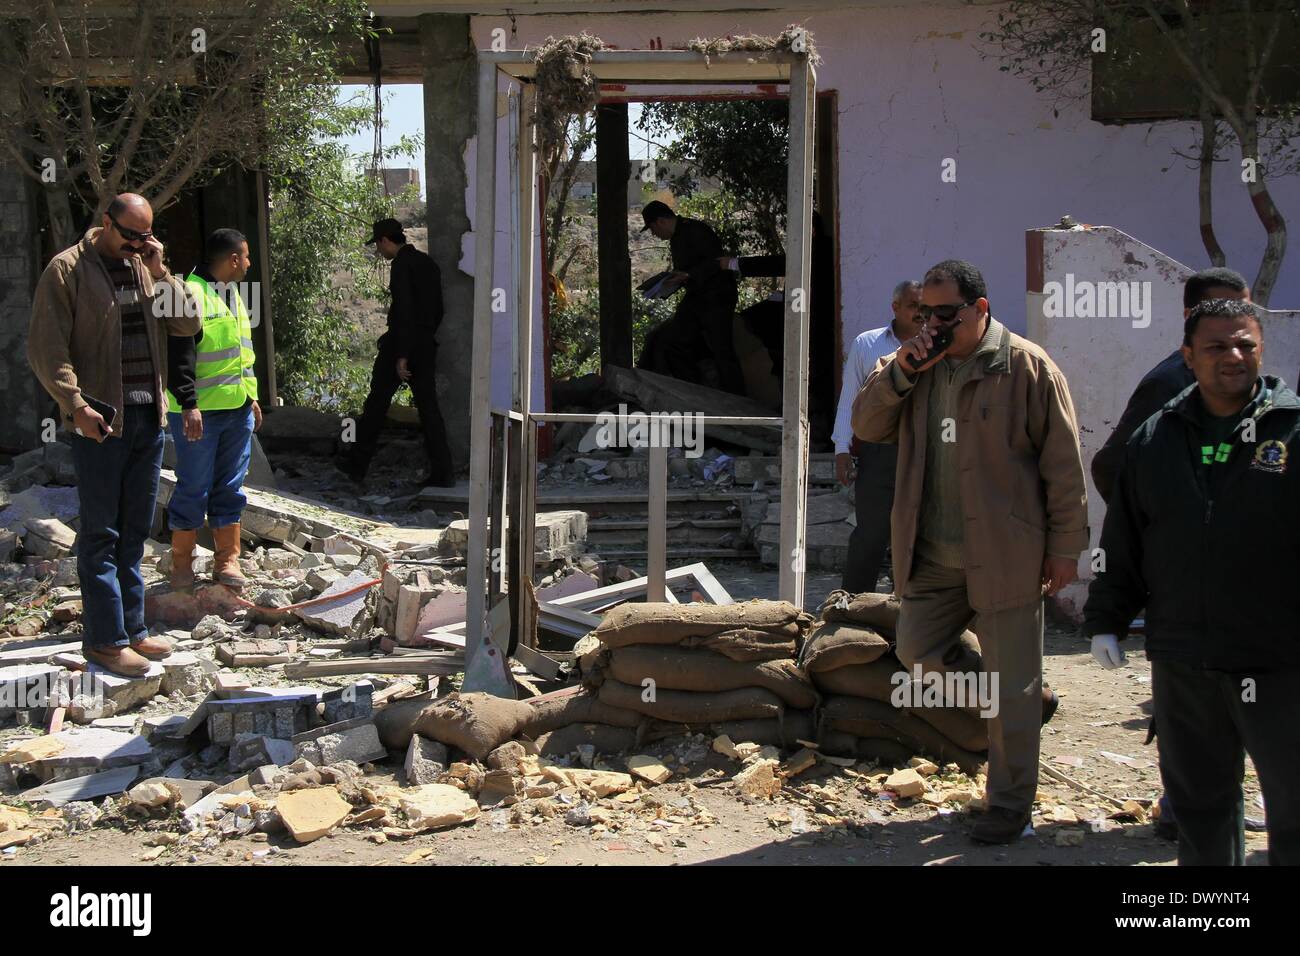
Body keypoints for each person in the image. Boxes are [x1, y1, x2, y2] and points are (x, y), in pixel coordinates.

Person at [853, 259, 1088, 845]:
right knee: (918, 652)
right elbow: (866, 424)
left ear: (980, 309)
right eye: (923, 314)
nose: (931, 325)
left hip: (1007, 554)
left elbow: (1063, 467)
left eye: (945, 314)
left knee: (1012, 689)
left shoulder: (1027, 368)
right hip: (933, 556)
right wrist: (902, 370)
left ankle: (1008, 805)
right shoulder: (914, 365)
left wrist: (1065, 549)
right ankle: (1021, 699)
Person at [1083, 298, 1300, 866]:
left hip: (1276, 657)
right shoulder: (1156, 438)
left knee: (1293, 803)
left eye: (1245, 344)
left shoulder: (1293, 431)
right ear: (1188, 356)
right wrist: (1106, 619)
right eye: (1216, 346)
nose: (1233, 356)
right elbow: (1124, 538)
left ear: (1261, 350)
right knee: (1200, 806)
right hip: (1184, 656)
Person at [1088, 266, 1251, 842]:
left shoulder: (1262, 404)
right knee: (1190, 705)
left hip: (1242, 594)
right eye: (1218, 319)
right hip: (1184, 589)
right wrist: (1166, 529)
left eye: (1243, 321)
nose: (1233, 339)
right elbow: (1113, 466)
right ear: (1190, 327)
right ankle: (1181, 808)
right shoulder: (1171, 384)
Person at [27, 193, 200, 677]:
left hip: (148, 417)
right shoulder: (67, 270)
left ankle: (132, 629)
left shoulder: (147, 267)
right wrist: (75, 405)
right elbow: (46, 349)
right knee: (101, 532)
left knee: (135, 529)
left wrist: (162, 272)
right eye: (130, 236)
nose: (138, 245)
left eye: (146, 236)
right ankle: (105, 641)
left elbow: (187, 323)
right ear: (107, 223)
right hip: (101, 420)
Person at [1091, 267, 1251, 502]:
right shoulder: (1169, 384)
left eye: (1244, 311)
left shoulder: (1246, 383)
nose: (1235, 322)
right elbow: (1111, 467)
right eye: (1222, 312)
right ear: (1190, 317)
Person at [165, 228, 262, 591]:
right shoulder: (188, 294)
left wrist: (251, 397)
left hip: (237, 409)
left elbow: (241, 355)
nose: (249, 263)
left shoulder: (232, 294)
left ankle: (227, 561)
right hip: (199, 415)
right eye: (246, 257)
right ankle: (182, 565)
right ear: (233, 259)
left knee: (230, 486)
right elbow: (179, 357)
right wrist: (188, 404)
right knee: (194, 486)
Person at [340, 218, 454, 487]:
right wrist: (423, 339)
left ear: (385, 240)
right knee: (429, 410)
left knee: (376, 404)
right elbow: (437, 310)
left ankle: (356, 466)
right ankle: (443, 472)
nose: (379, 251)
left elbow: (404, 310)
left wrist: (402, 355)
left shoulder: (402, 265)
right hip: (425, 344)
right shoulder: (427, 264)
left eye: (378, 245)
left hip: (401, 345)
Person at [831, 279, 922, 593]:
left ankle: (908, 608)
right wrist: (842, 448)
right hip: (877, 450)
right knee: (870, 533)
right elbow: (850, 399)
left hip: (922, 451)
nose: (920, 313)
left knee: (915, 536)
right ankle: (850, 605)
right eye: (912, 306)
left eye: (925, 308)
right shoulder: (868, 344)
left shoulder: (936, 346)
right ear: (895, 307)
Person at [636, 201, 743, 394]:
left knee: (722, 349)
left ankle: (737, 399)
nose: (654, 234)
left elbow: (717, 262)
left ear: (661, 222)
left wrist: (690, 274)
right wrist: (671, 280)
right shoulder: (676, 238)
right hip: (696, 296)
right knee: (674, 341)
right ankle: (694, 390)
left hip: (717, 296)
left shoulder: (695, 230)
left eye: (652, 229)